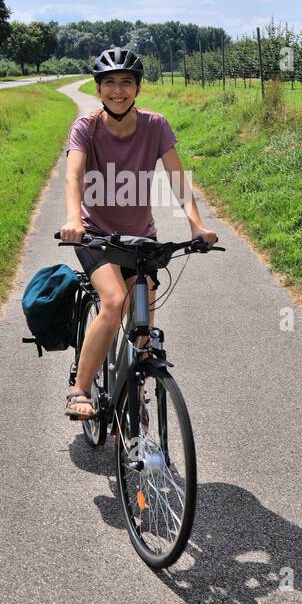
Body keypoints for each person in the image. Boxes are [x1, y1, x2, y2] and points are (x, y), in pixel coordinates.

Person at [60, 47, 218, 420]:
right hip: (96, 235)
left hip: (140, 237)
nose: (118, 91)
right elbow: (74, 175)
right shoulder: (86, 127)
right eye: (109, 83)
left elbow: (179, 179)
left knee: (144, 314)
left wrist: (197, 224)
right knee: (115, 303)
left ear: (138, 88)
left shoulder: (155, 125)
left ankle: (136, 391)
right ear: (98, 89)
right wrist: (73, 219)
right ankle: (80, 389)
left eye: (126, 83)